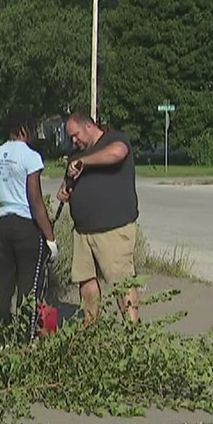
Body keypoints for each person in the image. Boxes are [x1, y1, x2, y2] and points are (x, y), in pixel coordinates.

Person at [57, 112, 140, 325]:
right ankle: (91, 329)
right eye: (71, 138)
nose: (73, 141)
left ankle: (134, 334)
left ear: (88, 127)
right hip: (83, 231)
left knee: (122, 283)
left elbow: (117, 154)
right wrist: (65, 190)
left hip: (113, 228)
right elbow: (70, 181)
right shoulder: (76, 154)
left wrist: (83, 161)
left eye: (75, 135)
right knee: (86, 283)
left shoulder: (114, 140)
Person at [0, 114, 58, 337]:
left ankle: (0, 334)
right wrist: (50, 238)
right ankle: (25, 336)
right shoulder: (31, 157)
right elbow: (35, 200)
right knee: (29, 285)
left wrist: (9, 197)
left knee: (3, 282)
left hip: (4, 224)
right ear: (25, 130)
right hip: (26, 227)